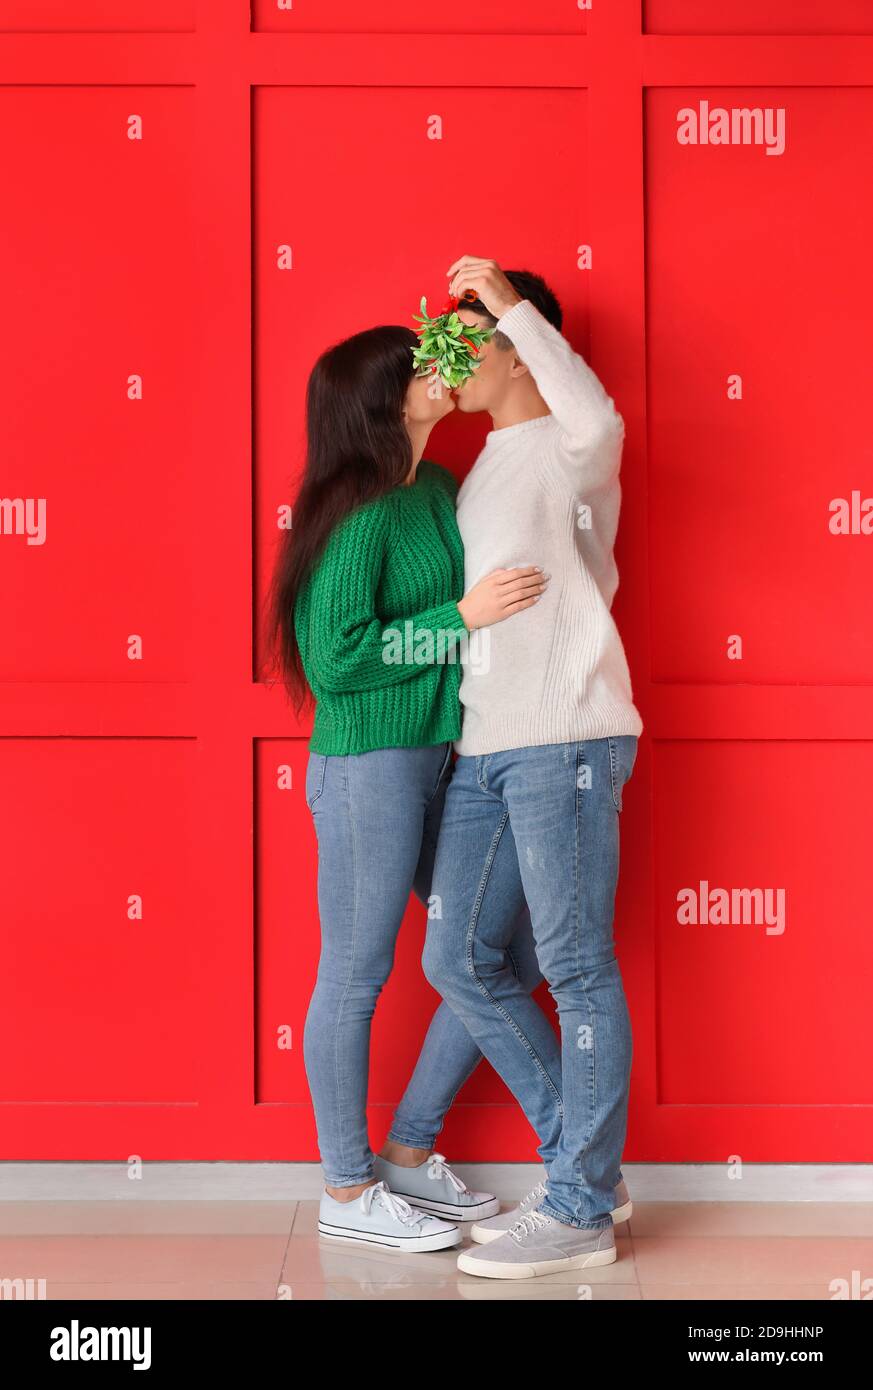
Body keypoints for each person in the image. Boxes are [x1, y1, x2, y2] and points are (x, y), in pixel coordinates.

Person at [265, 323, 548, 1252]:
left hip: (442, 756)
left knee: (495, 947)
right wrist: (457, 619)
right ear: (379, 402)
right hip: (368, 764)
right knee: (355, 974)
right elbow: (337, 663)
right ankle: (347, 1192)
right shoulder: (355, 508)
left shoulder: (430, 486)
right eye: (419, 369)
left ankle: (406, 1151)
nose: (440, 373)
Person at [420, 257, 644, 1279]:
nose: (449, 358)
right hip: (489, 746)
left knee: (575, 966)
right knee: (457, 957)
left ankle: (580, 1210)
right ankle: (583, 1170)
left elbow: (599, 423)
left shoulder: (566, 444)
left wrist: (506, 299)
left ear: (515, 351)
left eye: (468, 342)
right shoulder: (483, 469)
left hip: (566, 740)